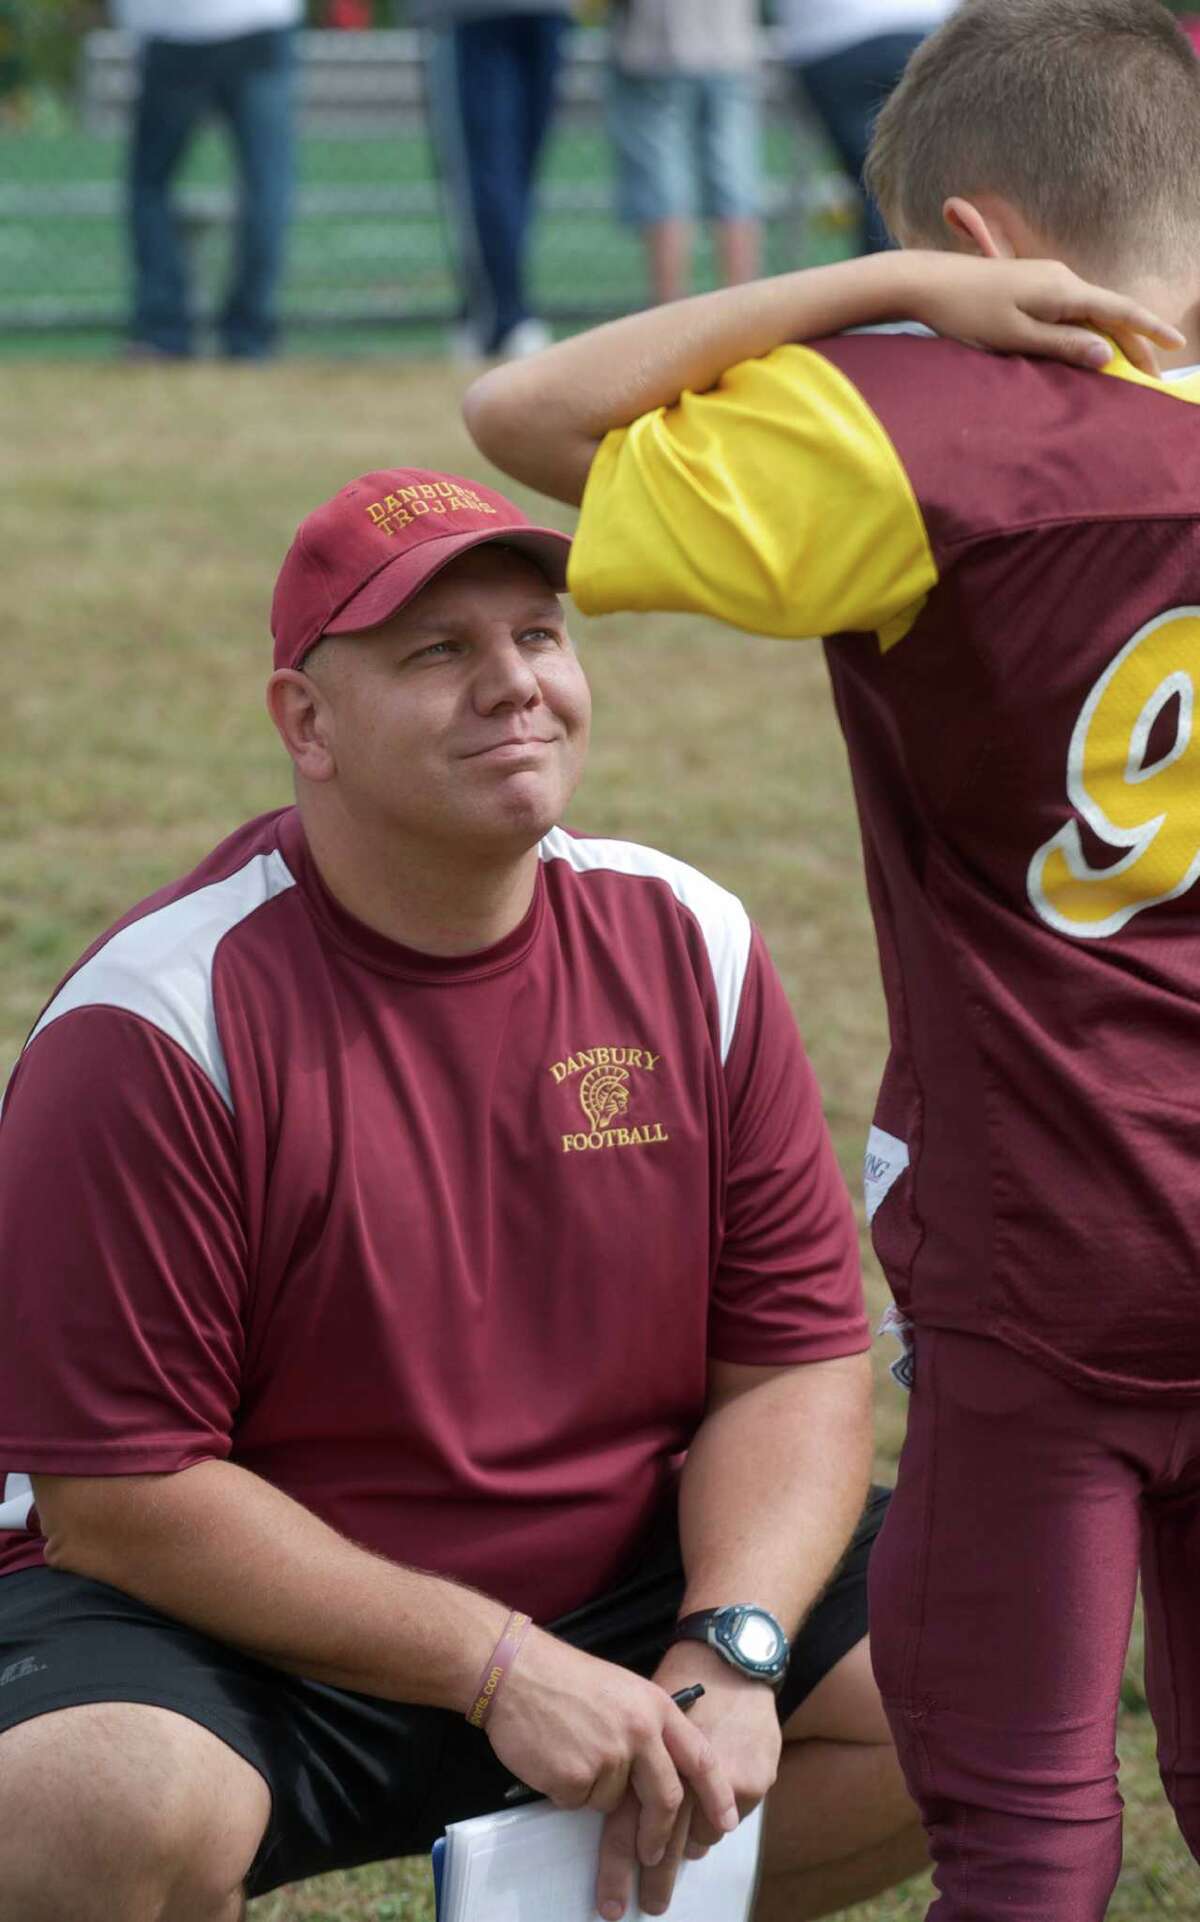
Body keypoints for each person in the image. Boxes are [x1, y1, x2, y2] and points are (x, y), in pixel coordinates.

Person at [462, 2, 1200, 1913]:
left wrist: (873, 291)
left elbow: (527, 416)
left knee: (1027, 1803)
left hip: (1064, 1205)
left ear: (979, 243)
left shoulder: (920, 421)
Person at [0, 467, 927, 1922]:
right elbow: (119, 1499)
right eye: (440, 652)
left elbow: (793, 1355)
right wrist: (493, 1662)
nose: (515, 686)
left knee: (976, 1656)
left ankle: (545, 1907)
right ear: (305, 722)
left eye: (540, 636)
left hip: (612, 1581)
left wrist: (730, 1648)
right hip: (242, 1622)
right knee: (99, 1804)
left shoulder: (690, 939)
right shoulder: (158, 1019)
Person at [115, 0, 301, 361]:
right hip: (258, 25)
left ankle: (163, 329)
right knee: (268, 186)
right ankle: (251, 332)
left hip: (175, 32)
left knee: (149, 185)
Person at [415, 0, 572, 359]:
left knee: (502, 173)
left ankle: (497, 317)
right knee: (493, 171)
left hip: (534, 13)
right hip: (478, 14)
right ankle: (502, 314)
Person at [606, 0, 762, 305]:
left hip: (654, 45)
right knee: (734, 182)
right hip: (730, 45)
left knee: (664, 190)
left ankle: (670, 322)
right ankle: (746, 317)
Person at [776, 1, 955, 255]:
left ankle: (891, 287)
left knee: (879, 189)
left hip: (829, 40)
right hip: (926, 25)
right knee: (932, 184)